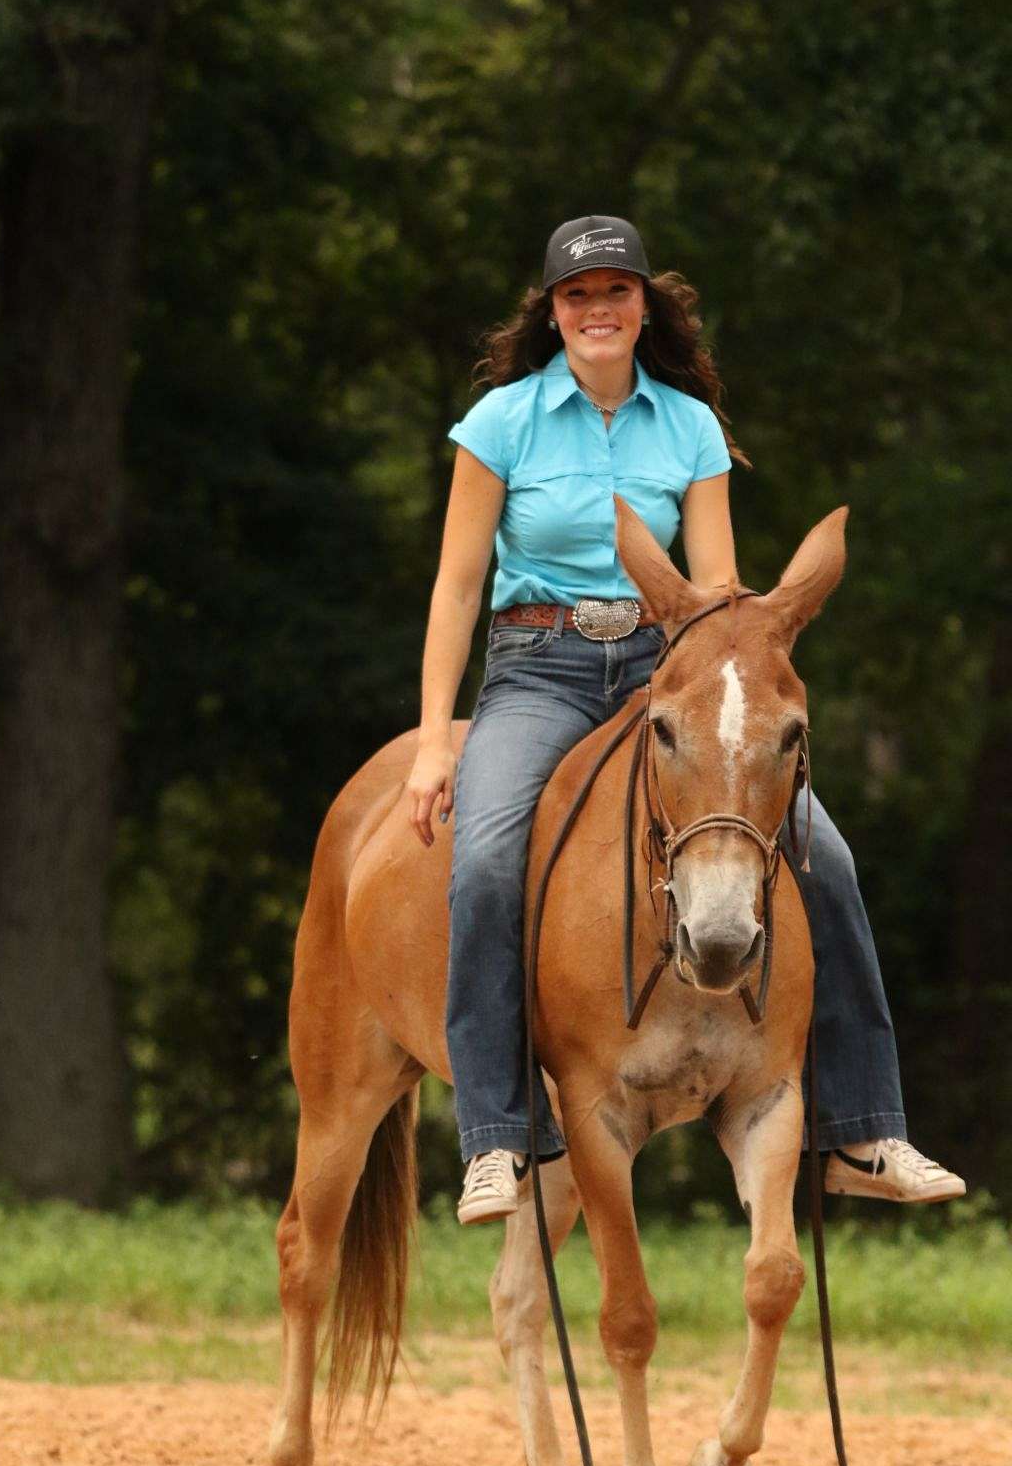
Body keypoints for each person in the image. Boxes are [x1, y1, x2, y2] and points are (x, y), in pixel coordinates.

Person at [406, 214, 966, 1226]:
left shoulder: (688, 427)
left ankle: (864, 1130)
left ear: (643, 307)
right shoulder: (501, 422)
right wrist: (431, 739)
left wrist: (735, 677)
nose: (598, 311)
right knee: (486, 856)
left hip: (666, 673)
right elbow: (455, 589)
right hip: (537, 667)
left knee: (823, 855)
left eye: (616, 293)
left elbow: (714, 591)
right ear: (554, 313)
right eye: (578, 296)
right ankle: (495, 1141)